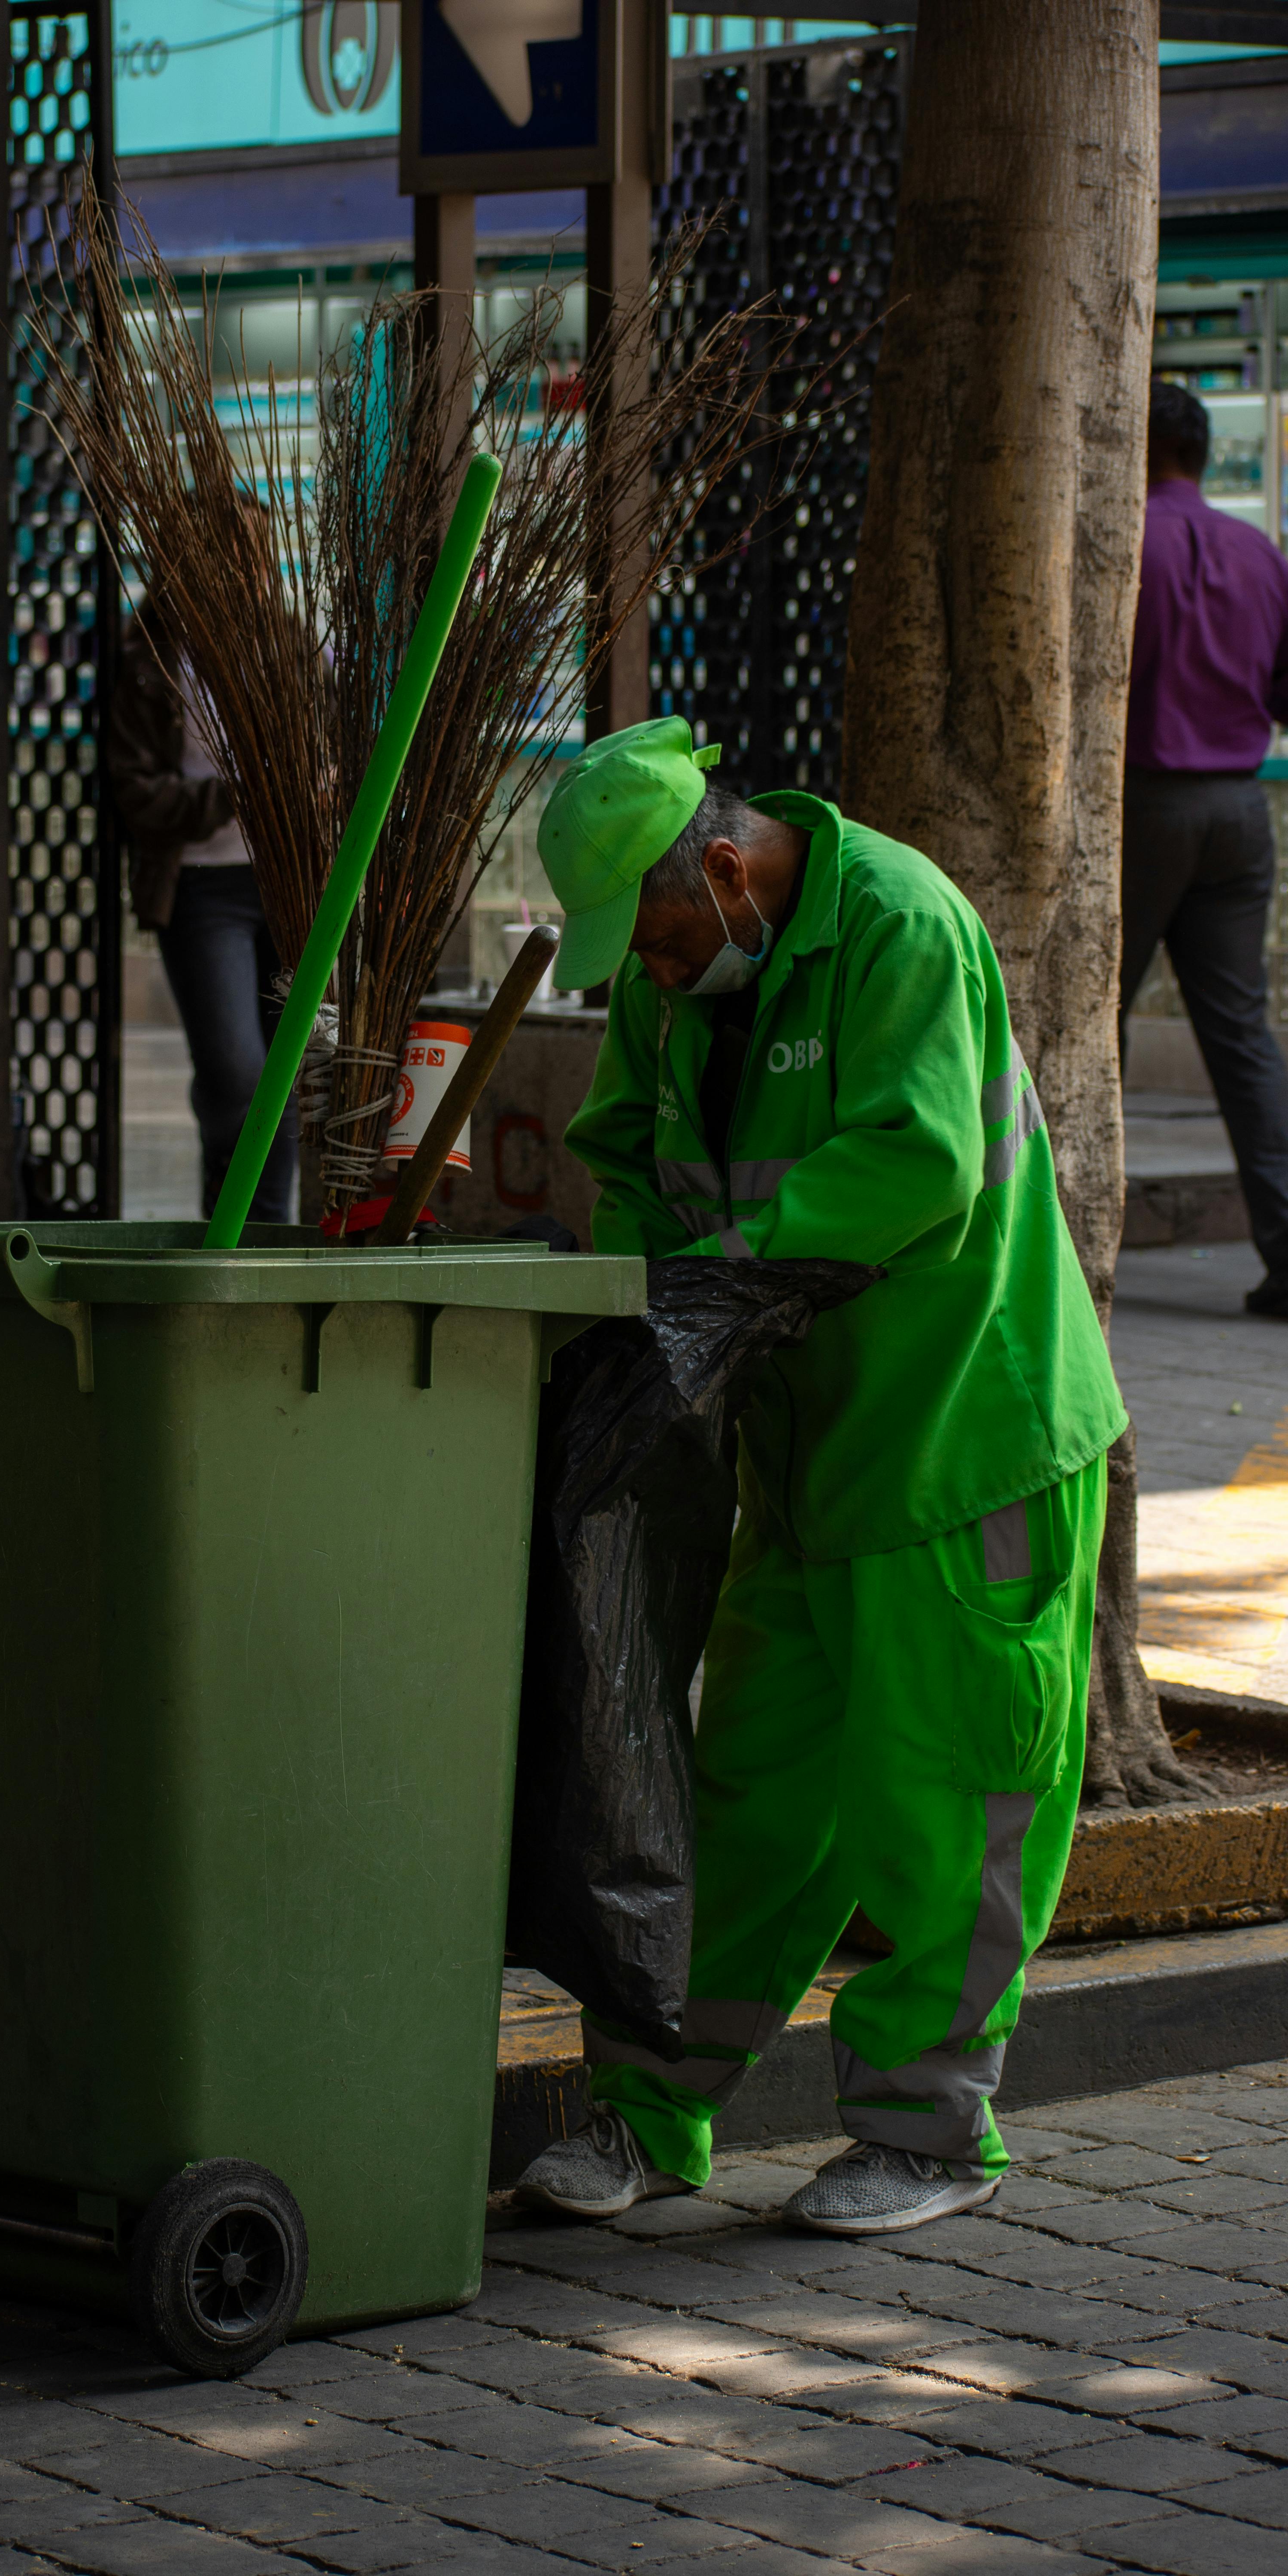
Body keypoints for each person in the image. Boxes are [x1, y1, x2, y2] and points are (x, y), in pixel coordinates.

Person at [513, 718, 1125, 2237]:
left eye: (655, 941)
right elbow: (627, 1155)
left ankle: (930, 2134)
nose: (649, 977)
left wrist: (712, 1274)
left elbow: (916, 1163)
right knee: (743, 1804)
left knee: (947, 1806)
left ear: (727, 873)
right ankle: (651, 2113)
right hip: (802, 1458)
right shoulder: (678, 989)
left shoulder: (905, 923)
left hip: (962, 1441)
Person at [1122, 380, 1288, 1316]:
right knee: (1241, 1038)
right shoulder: (1259, 553)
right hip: (1239, 806)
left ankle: (1064, 1240)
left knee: (1087, 1022)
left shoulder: (1120, 541)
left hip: (1141, 805)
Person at [107, 596, 297, 1225]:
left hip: (287, 880)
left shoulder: (290, 647)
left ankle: (262, 1234)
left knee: (290, 1069)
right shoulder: (148, 662)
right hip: (199, 888)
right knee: (234, 1071)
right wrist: (236, 797)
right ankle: (229, 1224)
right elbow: (137, 793)